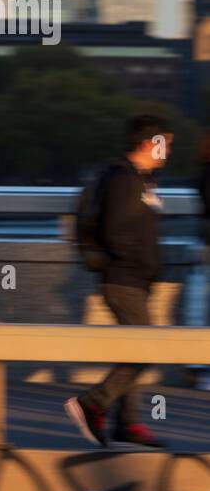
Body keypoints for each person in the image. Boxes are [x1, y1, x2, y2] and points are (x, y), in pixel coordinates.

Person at [64, 114, 170, 449]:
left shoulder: (141, 178)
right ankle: (92, 403)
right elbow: (115, 232)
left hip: (133, 280)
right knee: (144, 348)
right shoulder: (124, 180)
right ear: (147, 143)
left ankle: (128, 423)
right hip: (123, 280)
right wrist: (139, 263)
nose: (168, 150)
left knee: (134, 348)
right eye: (164, 142)